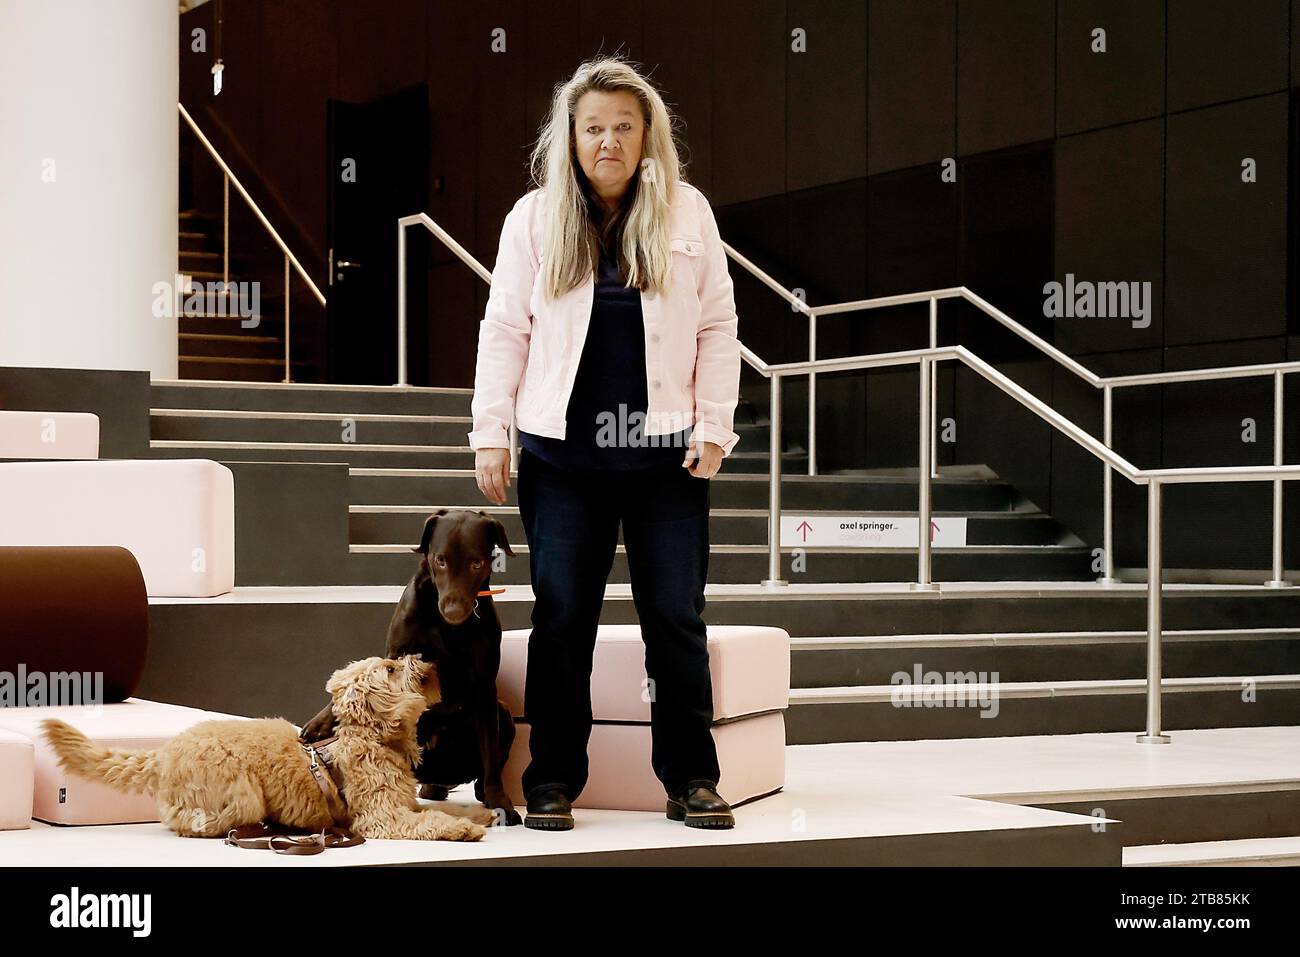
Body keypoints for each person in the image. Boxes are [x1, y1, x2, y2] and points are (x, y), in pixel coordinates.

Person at [467, 55, 741, 830]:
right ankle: (552, 778)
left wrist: (715, 425)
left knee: (675, 619)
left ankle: (692, 778)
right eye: (594, 128)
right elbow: (504, 329)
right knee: (560, 619)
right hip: (562, 461)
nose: (609, 141)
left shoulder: (688, 213)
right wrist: (492, 431)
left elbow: (719, 325)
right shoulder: (532, 219)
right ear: (572, 138)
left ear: (647, 134)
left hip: (667, 458)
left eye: (624, 126)